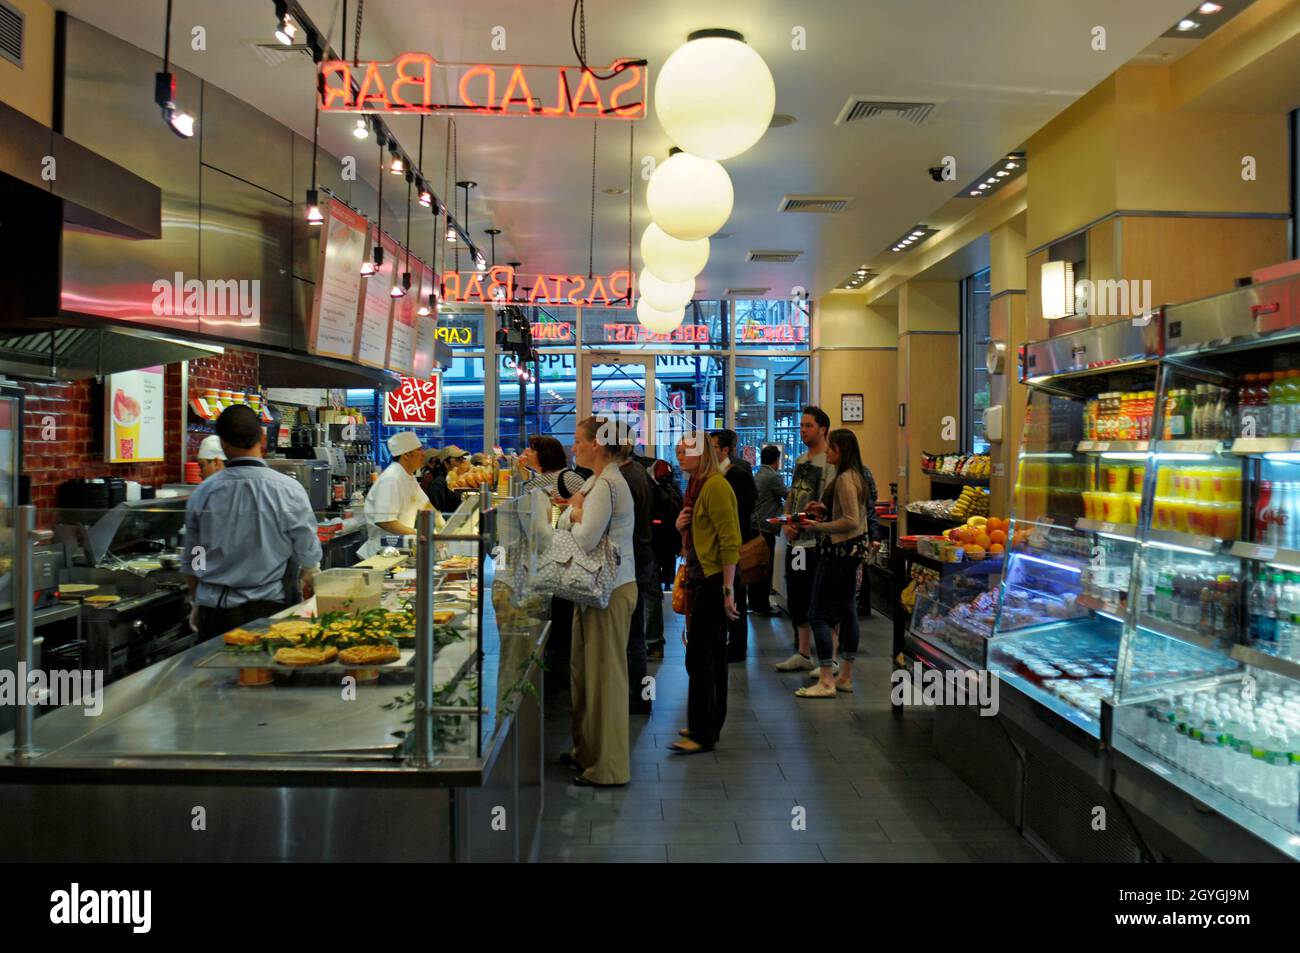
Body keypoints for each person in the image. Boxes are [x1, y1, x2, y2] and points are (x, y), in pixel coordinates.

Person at [184, 405, 322, 639]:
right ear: (262, 437)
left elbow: (195, 556)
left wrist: (198, 600)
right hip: (266, 609)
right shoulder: (288, 489)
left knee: (214, 674)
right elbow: (308, 553)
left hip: (214, 612)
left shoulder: (203, 492)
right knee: (262, 674)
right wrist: (310, 577)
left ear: (223, 444)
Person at [560, 416, 638, 787]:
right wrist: (572, 514)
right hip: (594, 590)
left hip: (610, 590)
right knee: (586, 673)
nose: (573, 446)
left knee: (605, 678)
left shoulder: (607, 484)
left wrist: (574, 514)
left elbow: (585, 537)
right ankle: (587, 753)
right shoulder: (596, 481)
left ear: (598, 445)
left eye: (578, 440)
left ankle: (608, 767)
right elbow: (567, 519)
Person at [671, 433, 741, 755]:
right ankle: (707, 723)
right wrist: (681, 525)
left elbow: (730, 541)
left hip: (713, 582)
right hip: (702, 579)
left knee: (700, 656)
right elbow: (703, 535)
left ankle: (703, 732)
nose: (680, 456)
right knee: (707, 655)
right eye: (678, 451)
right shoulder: (696, 487)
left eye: (686, 451)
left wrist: (728, 590)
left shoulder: (715, 486)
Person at [795, 429, 871, 698]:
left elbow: (849, 520)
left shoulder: (844, 479)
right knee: (847, 610)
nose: (826, 452)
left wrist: (818, 526)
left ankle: (826, 678)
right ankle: (846, 675)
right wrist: (824, 510)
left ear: (841, 451)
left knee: (817, 614)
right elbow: (853, 515)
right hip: (852, 552)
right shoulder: (856, 476)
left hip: (838, 552)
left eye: (831, 449)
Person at [774, 406, 838, 674]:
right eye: (801, 426)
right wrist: (787, 522)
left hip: (819, 544)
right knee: (797, 597)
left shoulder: (830, 463)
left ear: (823, 429)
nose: (802, 430)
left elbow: (832, 503)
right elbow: (791, 496)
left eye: (808, 425)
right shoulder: (801, 461)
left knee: (823, 599)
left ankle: (831, 657)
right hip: (797, 544)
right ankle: (802, 652)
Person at [711, 429, 756, 662]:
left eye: (714, 447)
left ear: (725, 450)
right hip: (721, 545)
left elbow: (747, 505)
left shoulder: (737, 472)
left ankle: (738, 647)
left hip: (736, 543)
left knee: (736, 593)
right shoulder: (713, 474)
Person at [620, 443, 656, 715]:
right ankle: (641, 695)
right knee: (636, 633)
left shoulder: (623, 477)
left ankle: (638, 697)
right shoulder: (639, 471)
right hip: (642, 555)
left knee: (633, 635)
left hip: (631, 559)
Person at [359, 432, 433, 559]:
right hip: (382, 554)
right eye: (419, 449)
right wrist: (419, 533)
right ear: (406, 455)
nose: (423, 453)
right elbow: (385, 521)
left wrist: (441, 524)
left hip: (400, 550)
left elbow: (426, 505)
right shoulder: (391, 478)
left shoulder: (408, 476)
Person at [750, 444, 788, 615]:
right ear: (777, 460)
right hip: (766, 527)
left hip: (755, 526)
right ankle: (762, 606)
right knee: (765, 568)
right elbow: (788, 495)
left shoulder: (758, 474)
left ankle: (754, 602)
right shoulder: (773, 476)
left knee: (755, 567)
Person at [520, 434, 583, 499]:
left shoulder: (566, 478)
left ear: (544, 455)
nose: (526, 451)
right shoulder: (565, 474)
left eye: (532, 450)